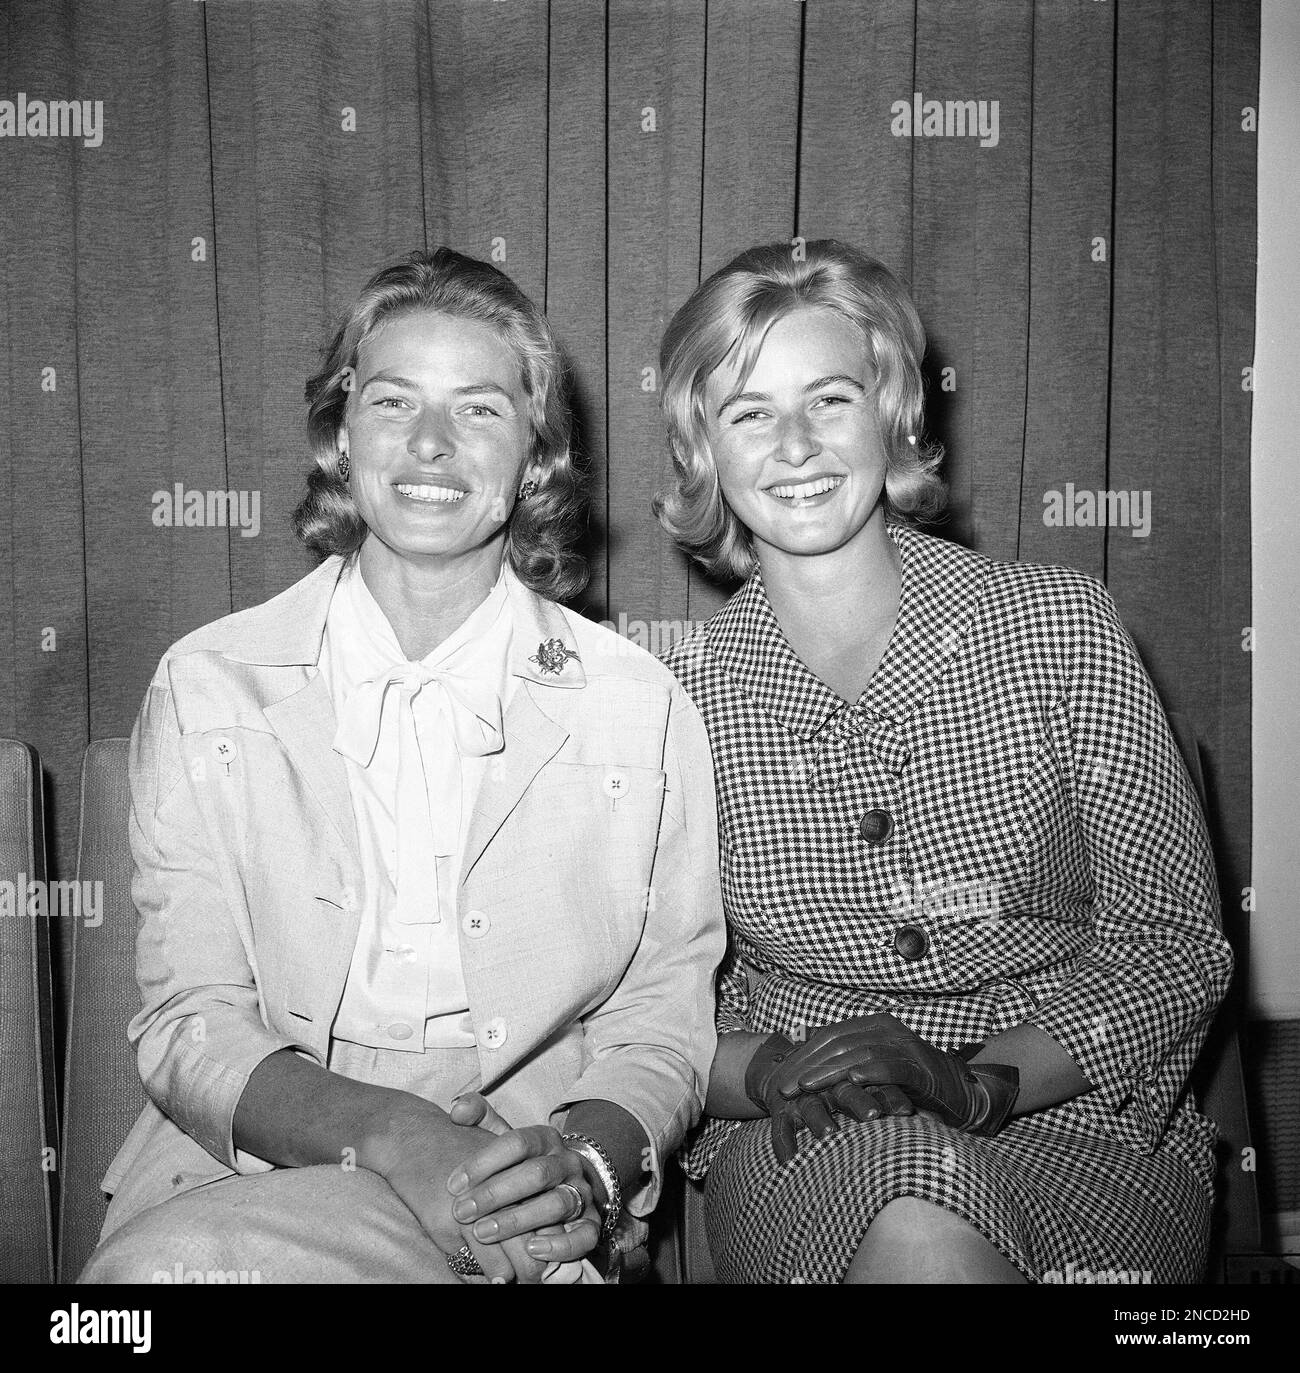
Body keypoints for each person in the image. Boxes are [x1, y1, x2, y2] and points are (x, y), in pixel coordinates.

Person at [80, 247, 724, 1285]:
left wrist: (582, 1168)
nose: (431, 441)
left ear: (534, 454)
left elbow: (662, 1015)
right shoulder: (208, 683)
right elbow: (190, 1019)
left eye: (478, 409)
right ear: (340, 435)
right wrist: (393, 1136)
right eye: (392, 402)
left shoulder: (637, 701)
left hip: (531, 1180)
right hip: (252, 1176)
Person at [654, 238, 1233, 1285]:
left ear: (890, 410)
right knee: (914, 1208)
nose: (794, 445)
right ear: (705, 447)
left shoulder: (1058, 626)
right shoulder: (672, 695)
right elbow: (651, 1002)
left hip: (1078, 1117)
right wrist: (777, 1070)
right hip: (809, 1134)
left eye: (828, 399)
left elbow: (1174, 945)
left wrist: (982, 1084)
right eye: (748, 412)